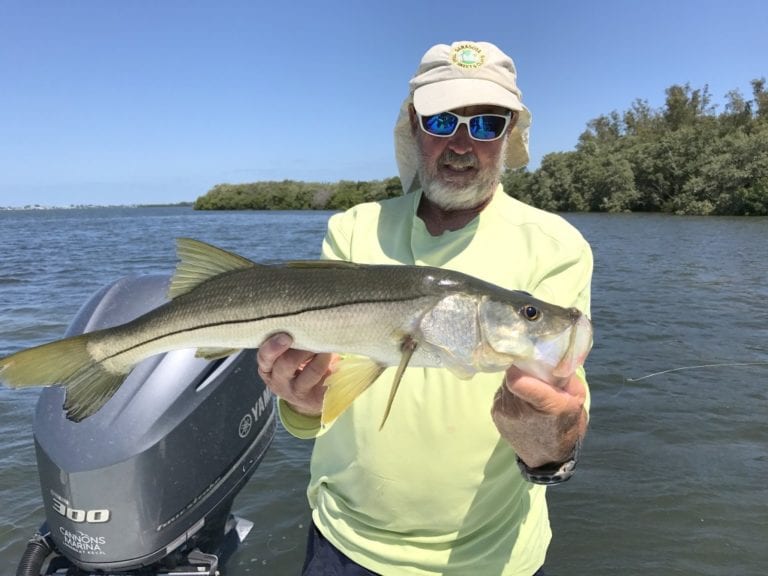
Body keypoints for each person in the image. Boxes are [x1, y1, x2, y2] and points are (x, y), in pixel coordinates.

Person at [257, 40, 593, 576]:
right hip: (346, 542)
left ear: (510, 134)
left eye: (486, 123)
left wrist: (550, 446)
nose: (463, 144)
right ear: (414, 126)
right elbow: (321, 400)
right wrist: (298, 402)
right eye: (442, 120)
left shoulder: (557, 245)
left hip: (495, 557)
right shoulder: (352, 230)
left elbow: (562, 424)